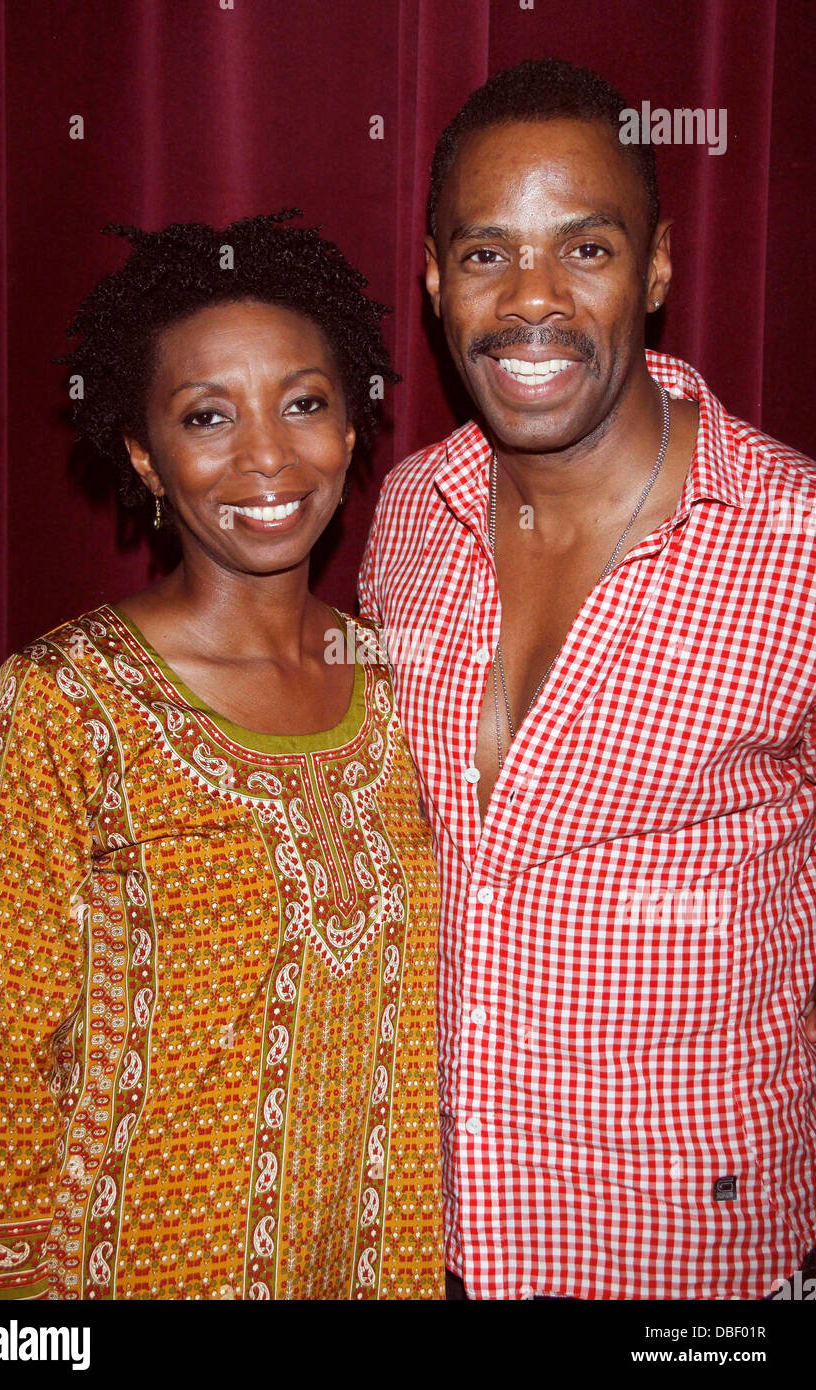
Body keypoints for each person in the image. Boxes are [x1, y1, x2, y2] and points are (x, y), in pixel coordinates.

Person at [358, 58, 816, 1301]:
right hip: (436, 1246)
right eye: (487, 253)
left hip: (697, 1269)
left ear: (658, 268)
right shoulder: (405, 516)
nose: (533, 302)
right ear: (434, 278)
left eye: (587, 249)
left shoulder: (795, 543)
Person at [0, 212, 444, 1300]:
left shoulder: (408, 683)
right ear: (142, 453)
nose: (267, 456)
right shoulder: (65, 702)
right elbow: (0, 1073)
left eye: (305, 403)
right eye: (206, 416)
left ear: (353, 430)